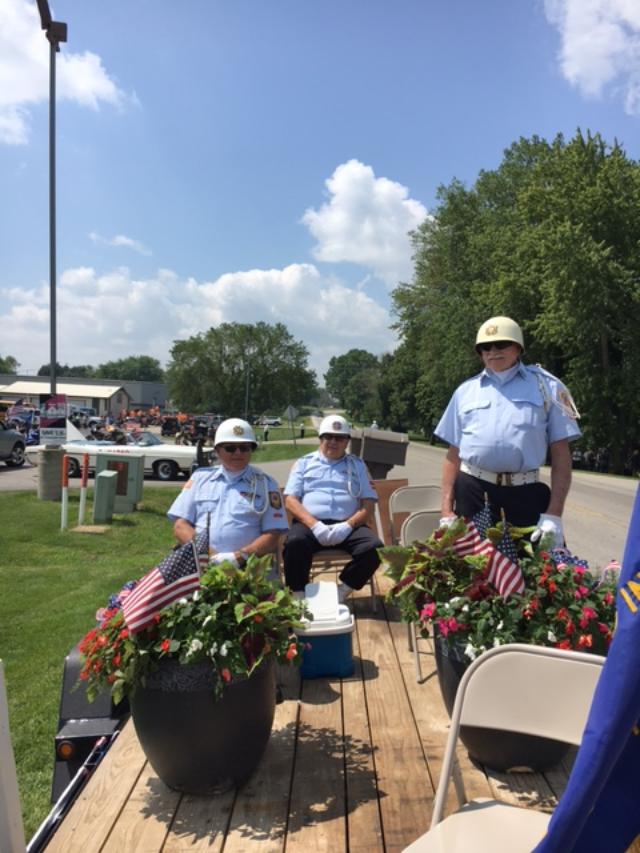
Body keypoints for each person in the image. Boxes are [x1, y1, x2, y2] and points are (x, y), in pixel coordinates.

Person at [435, 316, 581, 547]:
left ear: (517, 348)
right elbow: (453, 454)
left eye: (501, 344)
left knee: (532, 573)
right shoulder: (465, 392)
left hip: (526, 493)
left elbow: (561, 454)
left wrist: (554, 514)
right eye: (485, 347)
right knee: (471, 573)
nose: (493, 351)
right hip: (473, 491)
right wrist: (446, 510)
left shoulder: (548, 387)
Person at [282, 414, 382, 602]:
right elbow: (291, 500)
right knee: (294, 543)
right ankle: (299, 596)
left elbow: (369, 501)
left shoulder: (358, 465)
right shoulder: (303, 463)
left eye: (340, 438)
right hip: (309, 525)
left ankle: (341, 593)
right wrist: (314, 525)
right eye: (328, 437)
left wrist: (348, 525)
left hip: (348, 524)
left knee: (374, 548)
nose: (333, 442)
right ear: (320, 439)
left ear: (347, 442)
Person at [167, 417, 288, 567]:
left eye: (244, 448)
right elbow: (180, 526)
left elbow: (273, 533)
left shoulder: (266, 484)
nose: (238, 453)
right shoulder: (200, 479)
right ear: (217, 450)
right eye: (230, 448)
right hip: (201, 562)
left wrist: (242, 556)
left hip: (250, 564)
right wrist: (210, 556)